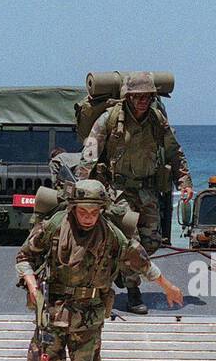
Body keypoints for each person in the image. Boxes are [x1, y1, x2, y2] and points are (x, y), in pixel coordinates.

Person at [15, 179, 184, 361]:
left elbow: (141, 261)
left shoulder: (111, 234)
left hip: (90, 315)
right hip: (54, 310)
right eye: (83, 212)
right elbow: (24, 257)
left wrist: (167, 285)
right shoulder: (54, 227)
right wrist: (32, 284)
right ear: (73, 208)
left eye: (94, 213)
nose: (89, 218)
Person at [79, 71, 192, 315]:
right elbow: (90, 152)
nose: (143, 100)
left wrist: (184, 182)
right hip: (118, 191)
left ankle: (122, 269)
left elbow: (174, 151)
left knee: (151, 242)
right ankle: (133, 291)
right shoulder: (110, 119)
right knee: (133, 242)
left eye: (147, 96)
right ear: (128, 97)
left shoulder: (156, 119)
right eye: (138, 96)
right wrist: (79, 187)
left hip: (147, 190)